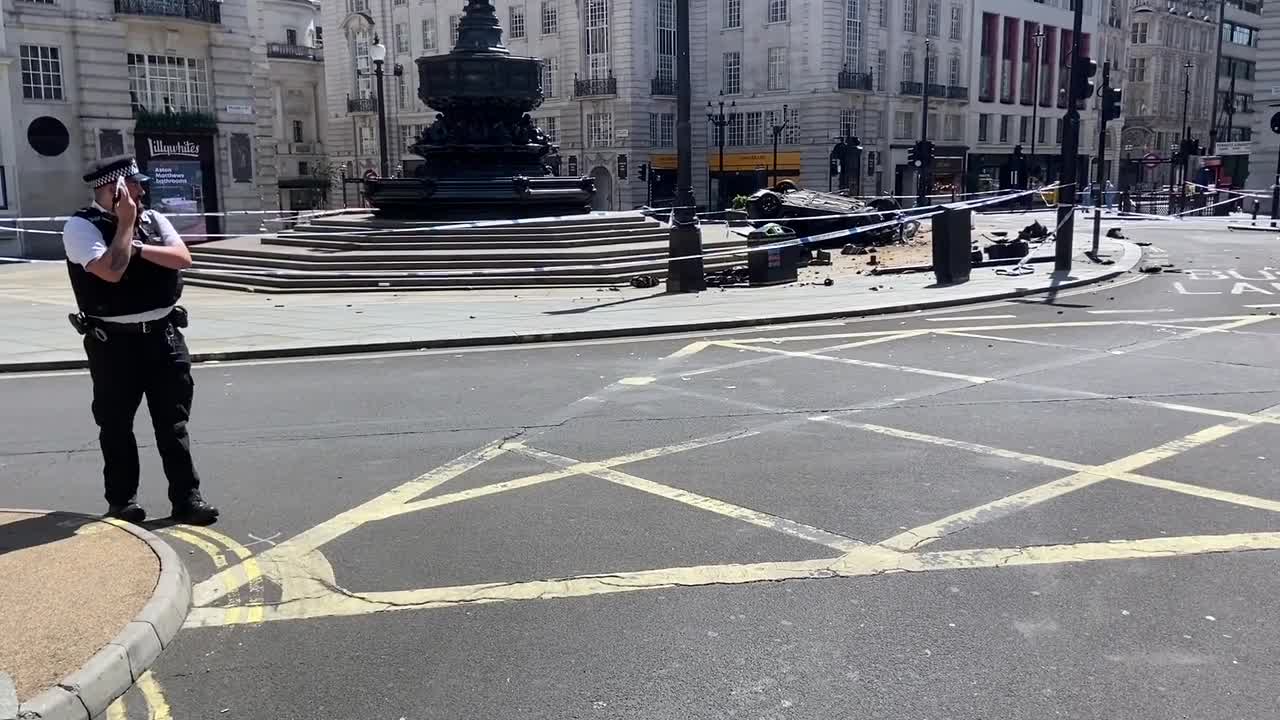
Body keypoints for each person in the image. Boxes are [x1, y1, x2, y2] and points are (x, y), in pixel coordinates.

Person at [62, 156, 219, 525]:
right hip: (114, 344)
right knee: (116, 426)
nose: (142, 190)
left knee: (173, 425)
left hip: (164, 338)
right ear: (115, 190)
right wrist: (125, 225)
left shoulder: (153, 219)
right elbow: (110, 272)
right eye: (134, 185)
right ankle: (122, 502)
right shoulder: (81, 227)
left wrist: (138, 245)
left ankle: (187, 499)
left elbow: (182, 258)